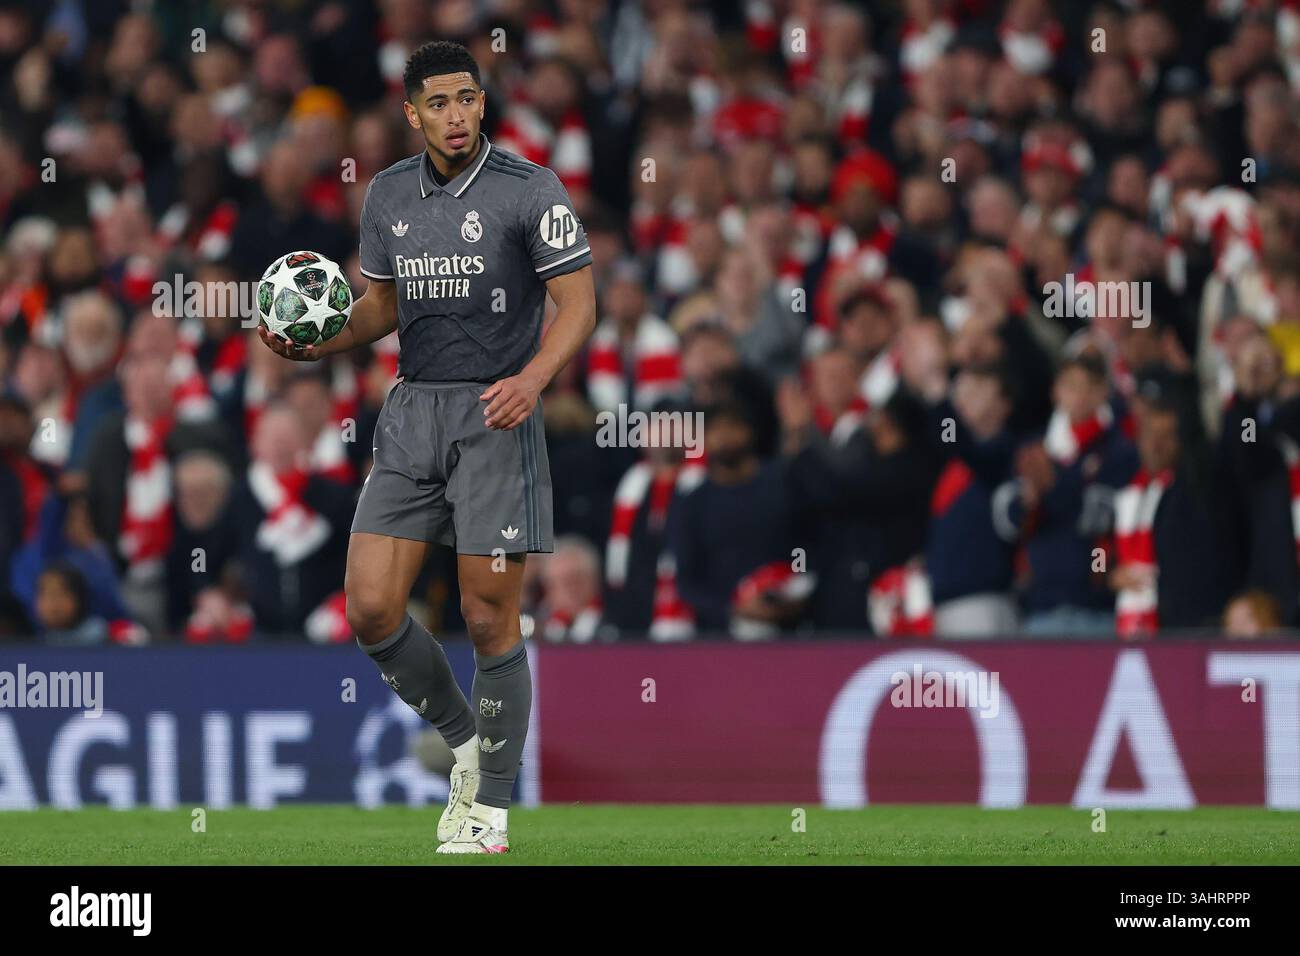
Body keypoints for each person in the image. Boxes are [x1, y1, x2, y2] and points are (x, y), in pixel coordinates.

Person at [257, 41, 596, 854]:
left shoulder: (530, 189)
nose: (455, 116)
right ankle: (467, 745)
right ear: (411, 113)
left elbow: (580, 303)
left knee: (488, 614)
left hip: (495, 410)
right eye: (438, 104)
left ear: (483, 104)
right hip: (411, 410)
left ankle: (489, 807)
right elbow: (384, 306)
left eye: (467, 100)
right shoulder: (387, 195)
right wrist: (324, 340)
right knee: (371, 605)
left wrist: (536, 377)